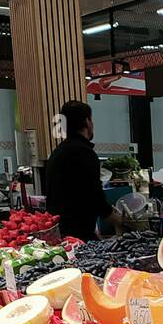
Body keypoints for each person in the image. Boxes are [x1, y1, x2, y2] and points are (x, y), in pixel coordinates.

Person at [44, 100, 121, 240]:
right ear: (87, 121)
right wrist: (115, 218)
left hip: (58, 232)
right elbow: (94, 195)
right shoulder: (84, 153)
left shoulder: (57, 153)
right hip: (77, 234)